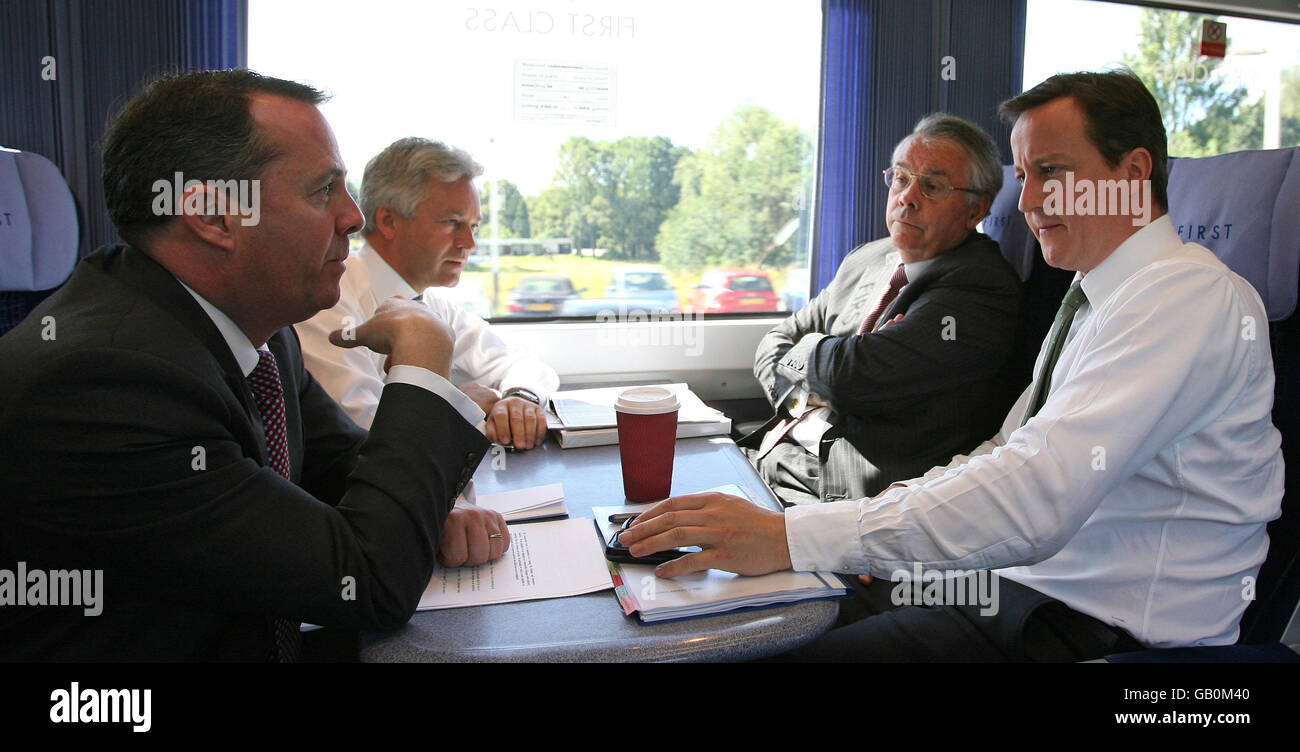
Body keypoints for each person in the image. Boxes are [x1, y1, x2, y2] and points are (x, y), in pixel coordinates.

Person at [619, 70, 1284, 660]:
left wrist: (801, 537)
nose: (1025, 203)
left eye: (1051, 171)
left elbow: (1036, 493)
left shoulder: (1186, 296)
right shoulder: (1095, 299)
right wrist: (875, 535)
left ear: (1134, 175)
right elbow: (1005, 451)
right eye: (1024, 176)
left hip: (1095, 625)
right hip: (1017, 588)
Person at [0, 70, 504, 661]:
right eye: (322, 191)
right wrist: (421, 366)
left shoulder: (256, 328)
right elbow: (370, 583)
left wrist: (429, 511)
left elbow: (345, 467)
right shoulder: (102, 383)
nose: (354, 218)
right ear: (213, 218)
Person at [747, 113, 1022, 505]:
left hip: (845, 497)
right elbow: (774, 340)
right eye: (901, 177)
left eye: (932, 186)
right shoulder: (867, 259)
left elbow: (848, 375)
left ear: (975, 211)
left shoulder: (980, 287)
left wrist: (813, 353)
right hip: (773, 457)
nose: (907, 197)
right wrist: (803, 395)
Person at [296, 138, 557, 450]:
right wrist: (460, 403)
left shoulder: (431, 306)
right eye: (452, 223)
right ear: (388, 221)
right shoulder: (329, 300)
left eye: (473, 227)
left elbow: (522, 363)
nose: (468, 244)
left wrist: (520, 400)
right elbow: (366, 428)